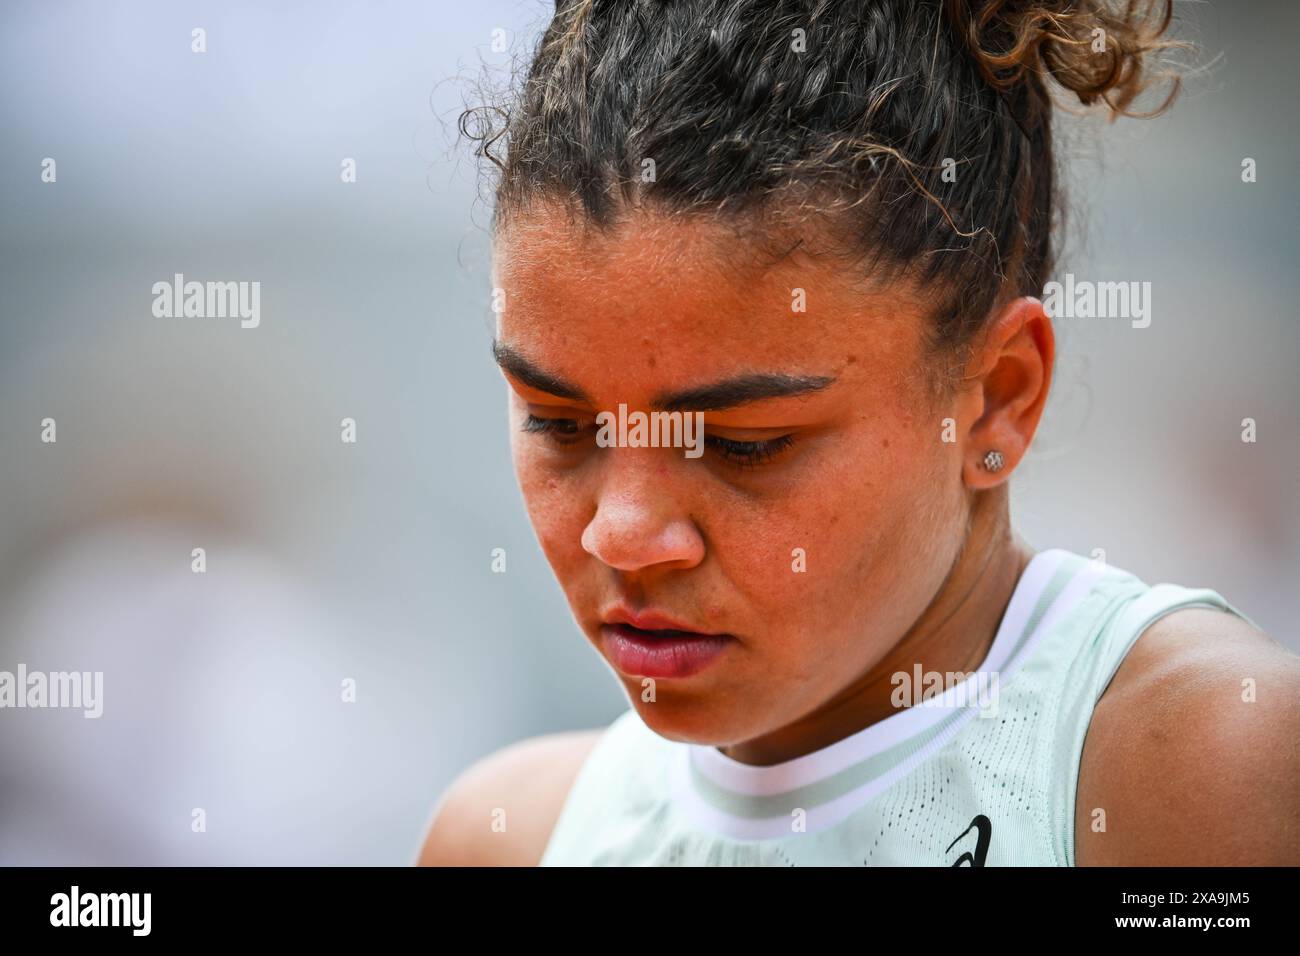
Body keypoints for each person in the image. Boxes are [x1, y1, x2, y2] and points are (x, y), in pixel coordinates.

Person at [419, 0, 1300, 865]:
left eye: (744, 443)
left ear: (996, 396)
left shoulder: (1195, 767)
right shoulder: (513, 839)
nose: (622, 534)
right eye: (558, 422)